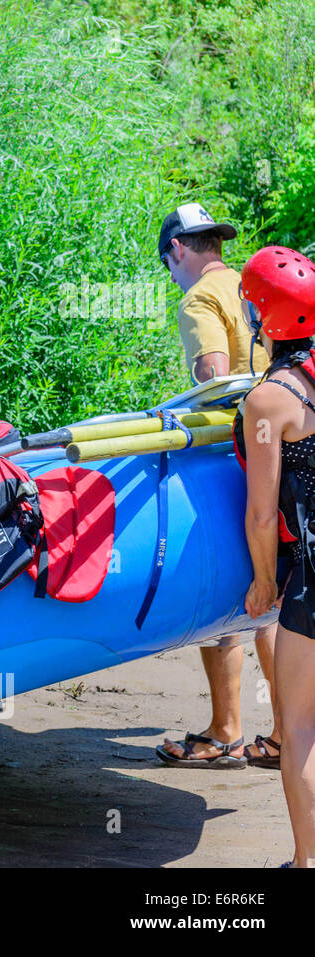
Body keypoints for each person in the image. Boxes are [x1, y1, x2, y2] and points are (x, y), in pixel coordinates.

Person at [155, 202, 282, 769]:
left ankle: (228, 729)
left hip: (235, 458)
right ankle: (285, 731)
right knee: (273, 599)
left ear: (178, 250)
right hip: (286, 447)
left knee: (228, 593)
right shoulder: (252, 286)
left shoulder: (199, 298)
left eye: (169, 263)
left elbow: (215, 375)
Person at [239, 244, 315, 867]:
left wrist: (265, 583)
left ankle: (305, 863)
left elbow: (263, 514)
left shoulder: (269, 403)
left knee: (300, 727)